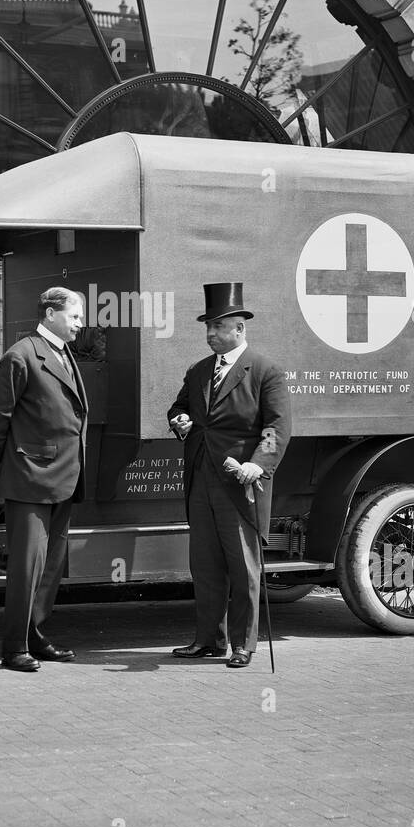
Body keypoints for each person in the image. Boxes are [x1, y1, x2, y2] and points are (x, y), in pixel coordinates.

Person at [167, 283, 291, 669]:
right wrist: (180, 421)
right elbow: (179, 409)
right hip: (201, 477)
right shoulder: (199, 370)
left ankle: (243, 644)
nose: (210, 334)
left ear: (239, 328)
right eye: (207, 327)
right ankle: (208, 639)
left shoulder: (265, 371)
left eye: (218, 327)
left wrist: (259, 463)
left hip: (241, 483)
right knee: (204, 564)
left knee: (242, 565)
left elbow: (277, 426)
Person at [0, 287, 88, 673]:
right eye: (75, 316)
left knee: (49, 567)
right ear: (50, 314)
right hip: (31, 477)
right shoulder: (21, 355)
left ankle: (35, 635)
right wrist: (5, 461)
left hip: (63, 476)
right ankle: (14, 648)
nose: (81, 323)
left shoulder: (62, 352)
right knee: (27, 568)